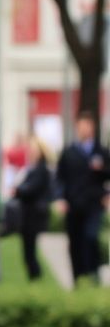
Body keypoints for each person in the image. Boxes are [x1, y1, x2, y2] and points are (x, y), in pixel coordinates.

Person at [54, 111, 110, 285]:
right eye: (82, 125)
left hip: (94, 204)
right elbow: (59, 177)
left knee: (91, 237)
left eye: (88, 125)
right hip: (74, 205)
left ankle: (93, 274)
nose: (85, 128)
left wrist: (107, 193)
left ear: (92, 127)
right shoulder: (69, 152)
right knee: (75, 242)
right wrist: (60, 198)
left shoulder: (101, 152)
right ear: (77, 127)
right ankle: (78, 279)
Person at [13, 136, 53, 281]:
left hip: (33, 216)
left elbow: (30, 189)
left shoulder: (41, 169)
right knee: (28, 250)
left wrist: (18, 191)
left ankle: (36, 277)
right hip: (29, 215)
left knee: (30, 250)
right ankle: (34, 277)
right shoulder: (33, 168)